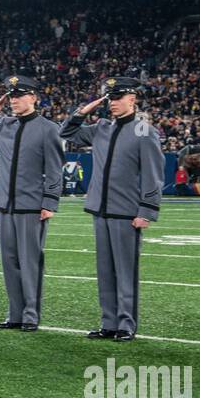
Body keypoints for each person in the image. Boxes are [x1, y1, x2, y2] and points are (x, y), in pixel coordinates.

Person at [61, 77, 165, 341]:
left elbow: (153, 174)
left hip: (127, 211)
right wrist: (83, 111)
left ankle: (126, 324)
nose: (113, 103)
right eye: (109, 99)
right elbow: (67, 132)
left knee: (125, 271)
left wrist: (147, 210)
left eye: (117, 98)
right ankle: (109, 322)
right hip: (100, 209)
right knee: (105, 270)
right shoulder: (101, 128)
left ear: (133, 99)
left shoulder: (144, 130)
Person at [0, 76, 64, 331]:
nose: (14, 100)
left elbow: (55, 170)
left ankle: (31, 315)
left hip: (31, 205)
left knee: (30, 261)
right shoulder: (3, 125)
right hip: (4, 204)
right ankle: (15, 314)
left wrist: (50, 202)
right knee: (9, 261)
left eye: (19, 95)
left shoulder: (48, 128)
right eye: (11, 96)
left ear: (33, 97)